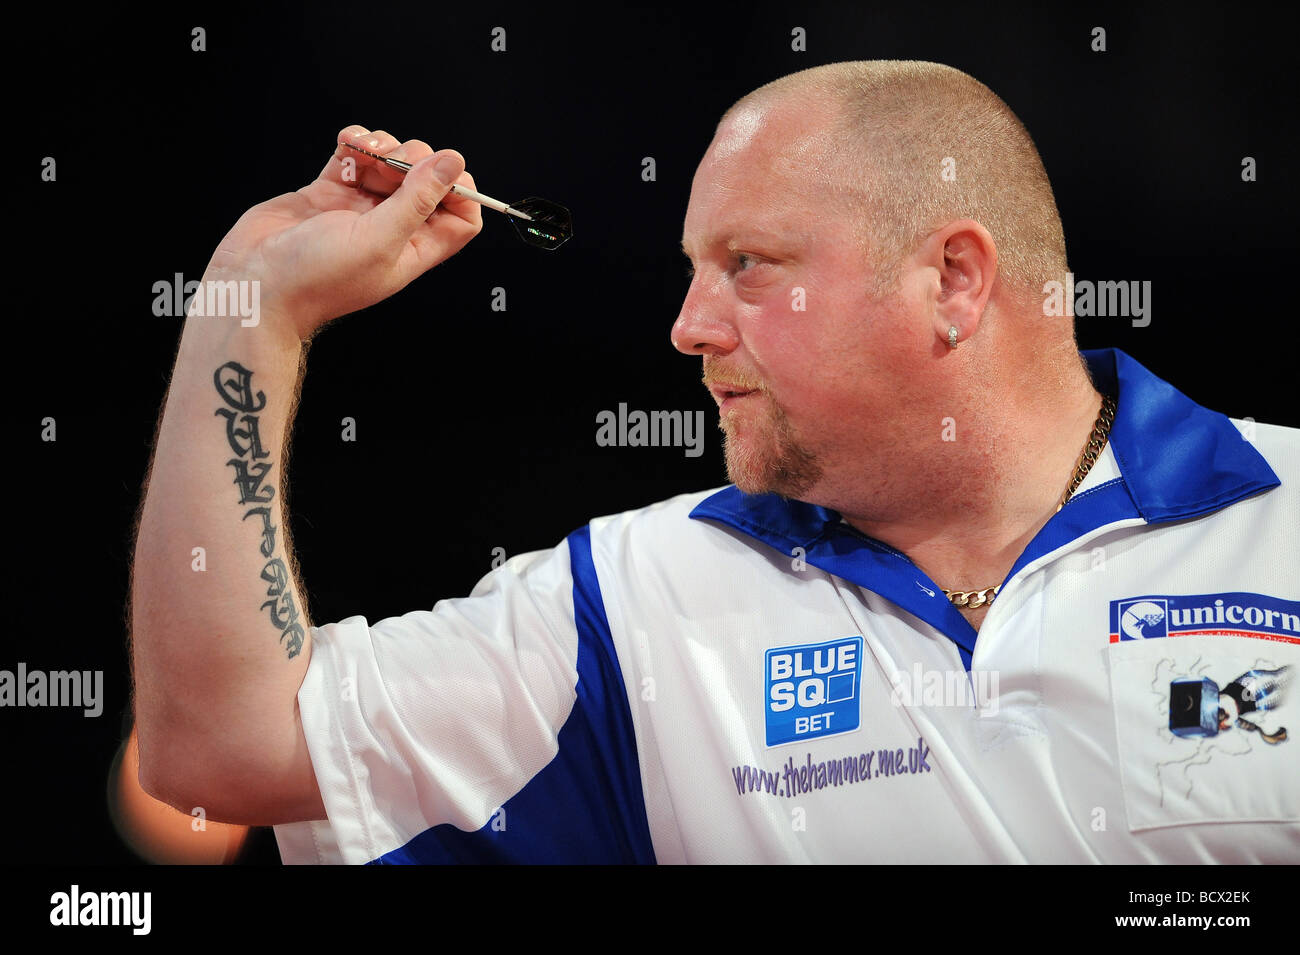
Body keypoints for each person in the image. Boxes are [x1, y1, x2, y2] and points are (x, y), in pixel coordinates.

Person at [130, 60, 1299, 863]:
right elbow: (220, 750)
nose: (689, 327)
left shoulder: (1283, 525)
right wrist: (253, 310)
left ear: (951, 280)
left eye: (746, 262)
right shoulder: (633, 602)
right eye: (695, 267)